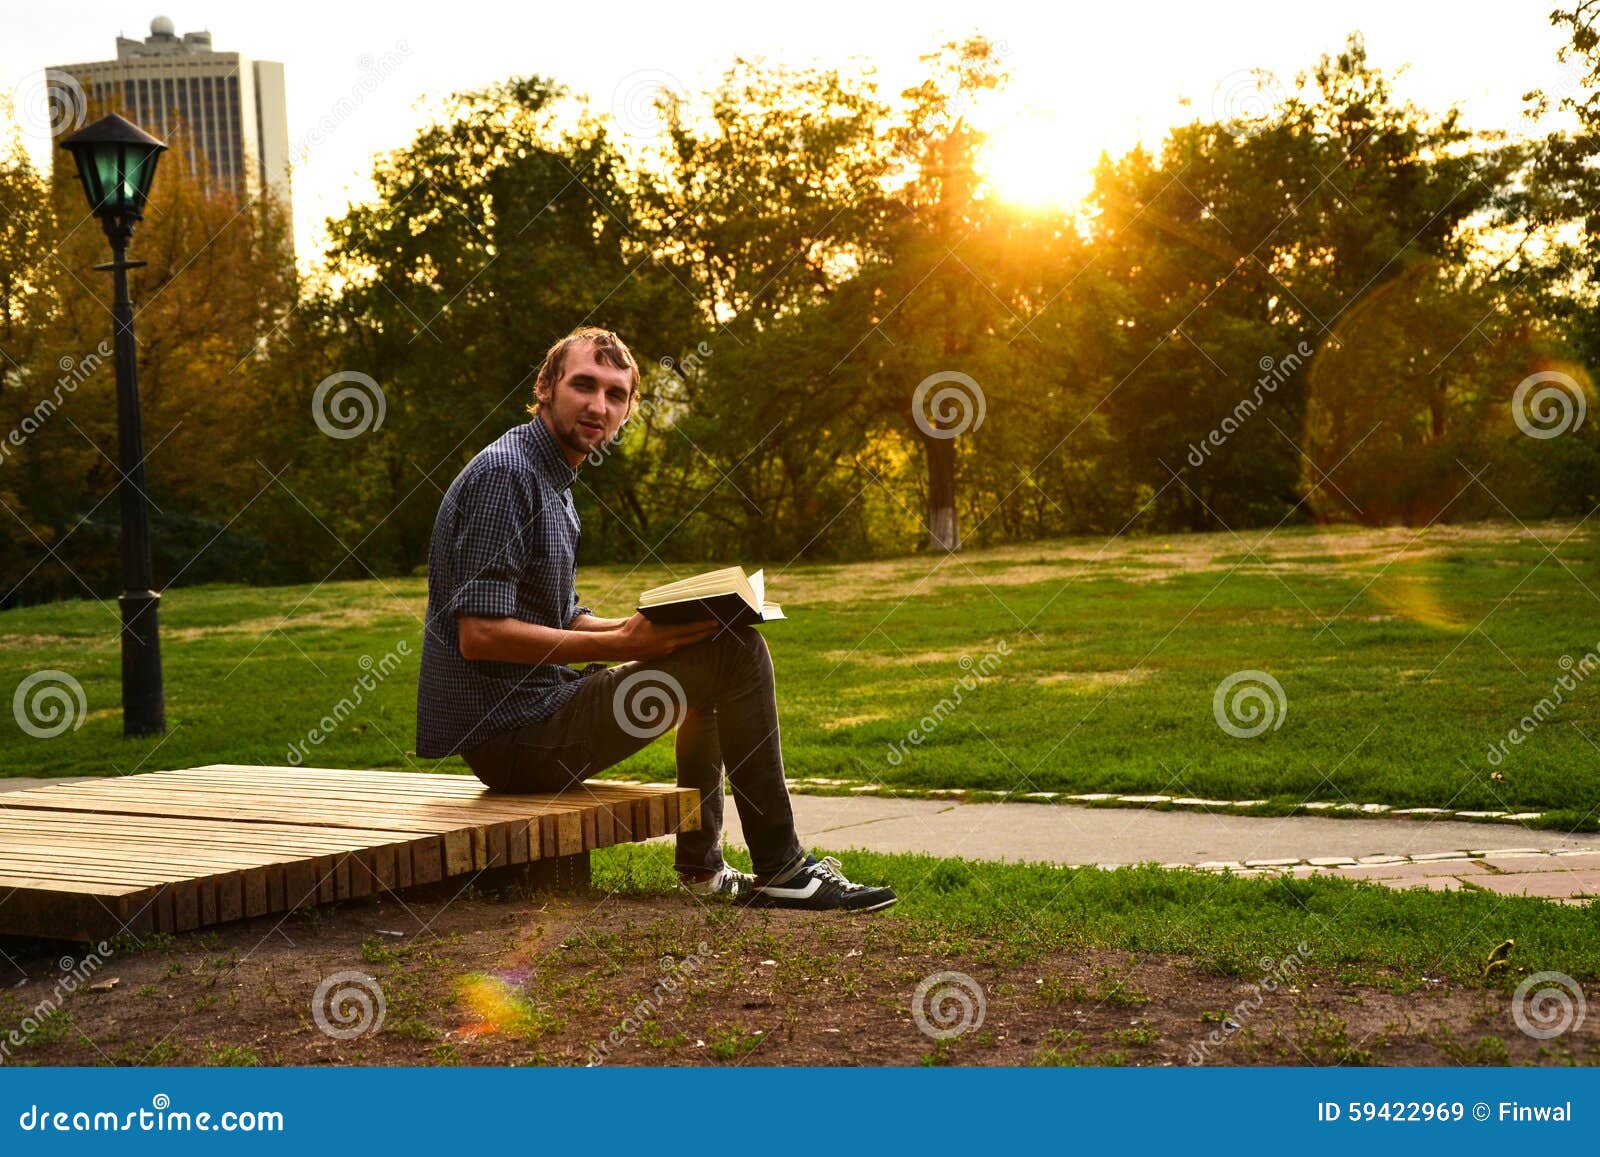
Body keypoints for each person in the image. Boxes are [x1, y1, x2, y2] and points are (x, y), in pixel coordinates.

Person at [415, 325, 896, 913]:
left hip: (536, 718)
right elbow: (480, 634)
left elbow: (558, 614)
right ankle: (782, 868)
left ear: (625, 413)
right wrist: (624, 641)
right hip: (516, 740)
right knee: (737, 656)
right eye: (584, 385)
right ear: (545, 387)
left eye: (615, 395)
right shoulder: (506, 476)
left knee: (718, 642)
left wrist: (655, 632)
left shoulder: (552, 480)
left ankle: (704, 869)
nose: (598, 405)